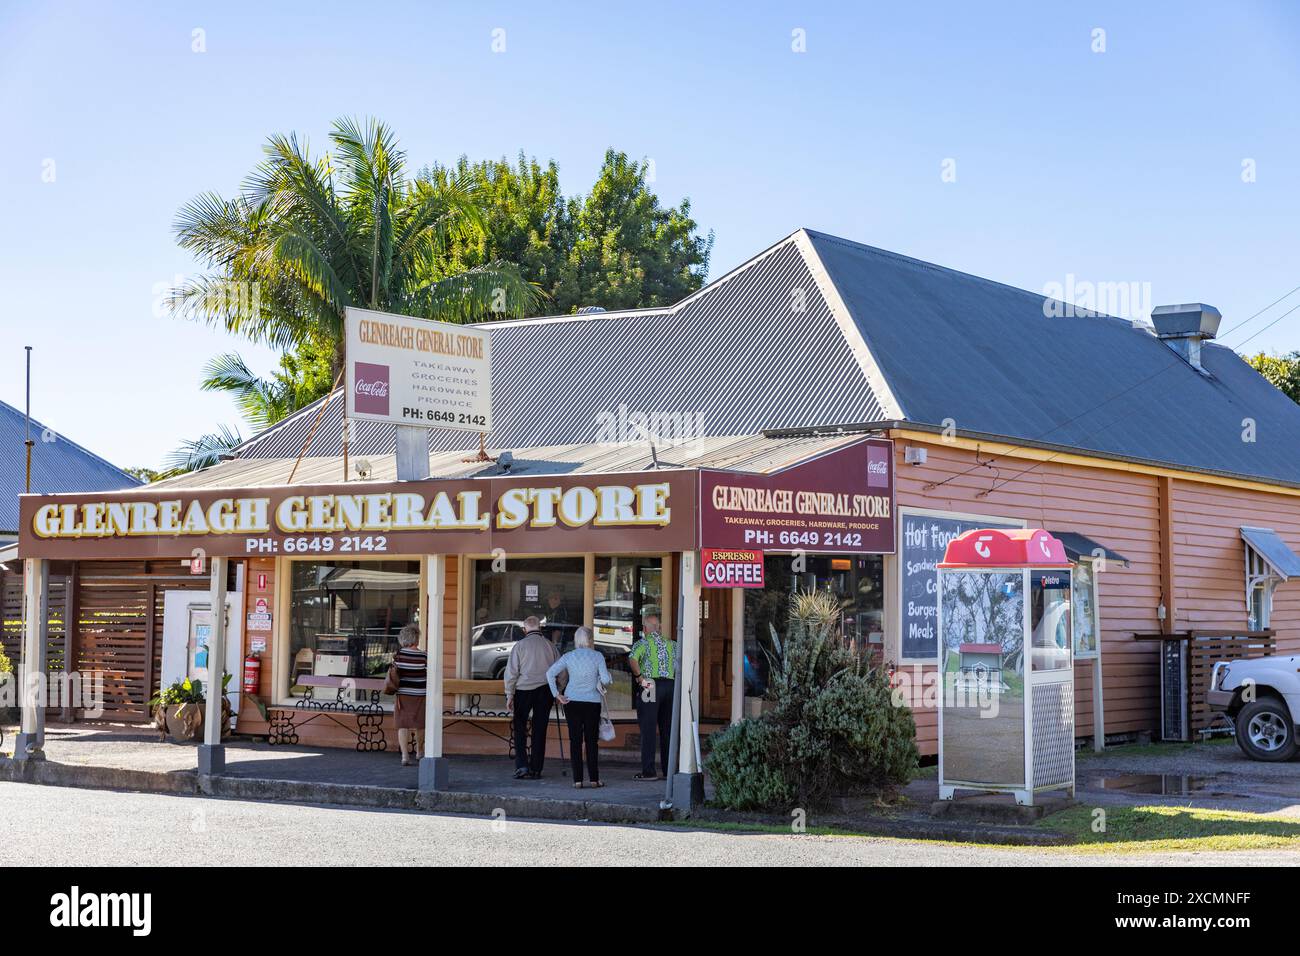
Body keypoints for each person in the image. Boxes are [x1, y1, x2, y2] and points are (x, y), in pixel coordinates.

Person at [546, 627, 611, 789]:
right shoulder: (597, 656)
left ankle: (577, 780)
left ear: (576, 640)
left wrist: (557, 694)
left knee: (575, 741)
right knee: (591, 741)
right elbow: (605, 680)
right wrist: (605, 677)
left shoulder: (569, 656)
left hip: (571, 701)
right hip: (592, 702)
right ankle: (594, 779)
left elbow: (550, 673)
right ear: (590, 639)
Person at [503, 615, 559, 779]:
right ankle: (536, 768)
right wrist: (558, 691)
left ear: (524, 629)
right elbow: (561, 670)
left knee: (520, 728)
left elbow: (511, 673)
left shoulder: (520, 646)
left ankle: (522, 766)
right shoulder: (550, 646)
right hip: (545, 690)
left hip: (523, 690)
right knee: (540, 729)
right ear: (539, 628)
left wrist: (509, 694)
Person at [628, 613, 675, 780]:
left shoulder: (643, 642)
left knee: (648, 728)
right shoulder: (671, 644)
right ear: (659, 628)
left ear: (645, 629)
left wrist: (639, 678)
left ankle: (649, 771)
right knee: (667, 729)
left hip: (650, 685)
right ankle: (668, 770)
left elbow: (632, 660)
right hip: (670, 685)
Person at [389, 624, 427, 767]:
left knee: (402, 725)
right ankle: (419, 751)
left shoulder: (398, 656)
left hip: (403, 695)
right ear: (416, 639)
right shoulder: (424, 656)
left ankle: (405, 756)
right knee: (420, 724)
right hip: (420, 694)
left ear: (403, 639)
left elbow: (393, 675)